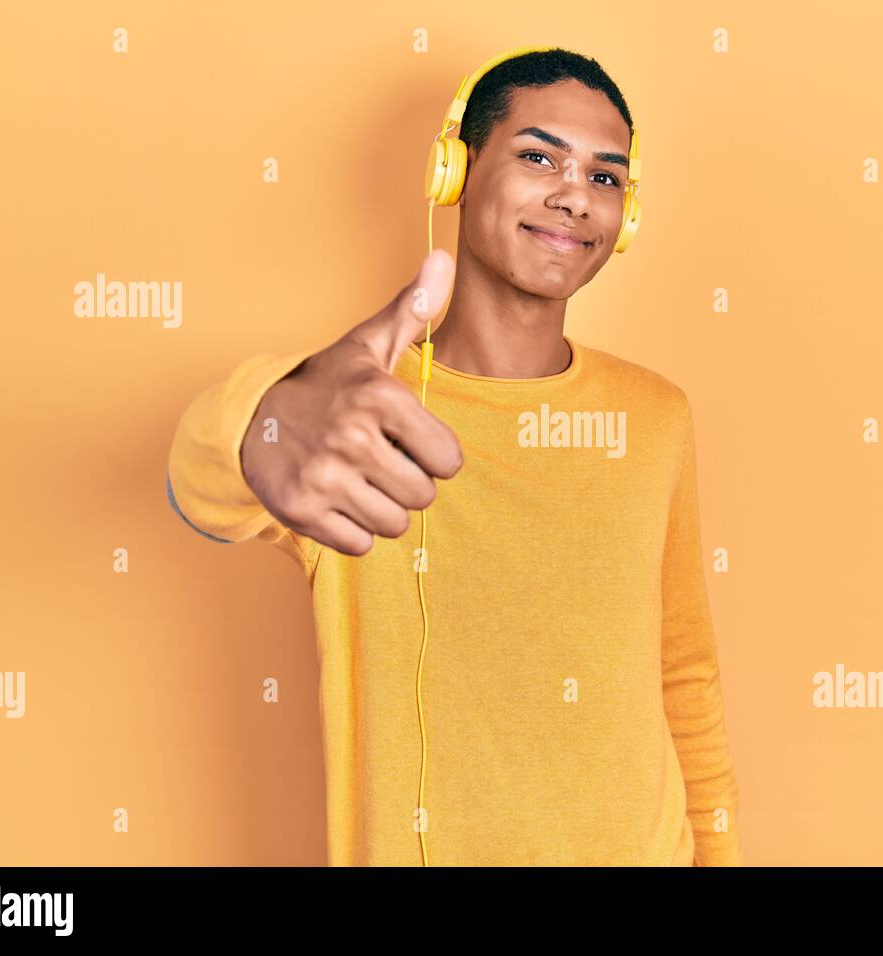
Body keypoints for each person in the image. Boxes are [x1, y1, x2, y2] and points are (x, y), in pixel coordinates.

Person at [166, 47, 743, 866]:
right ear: (456, 172)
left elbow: (683, 674)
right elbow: (199, 485)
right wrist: (264, 416)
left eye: (606, 178)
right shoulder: (353, 413)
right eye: (539, 157)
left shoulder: (656, 416)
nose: (574, 194)